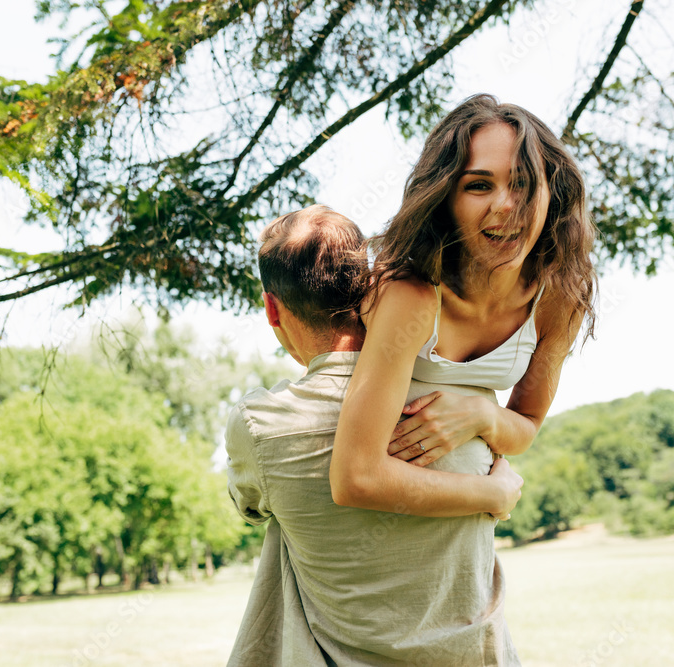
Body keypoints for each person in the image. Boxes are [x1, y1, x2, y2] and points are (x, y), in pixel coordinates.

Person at [225, 205, 524, 666]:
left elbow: (250, 506)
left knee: (286, 517)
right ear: (367, 287)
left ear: (272, 308)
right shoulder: (459, 404)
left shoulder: (261, 424)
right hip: (478, 657)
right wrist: (494, 491)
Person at [330, 94, 597, 514]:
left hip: (462, 551)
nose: (505, 205)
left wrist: (479, 415)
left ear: (553, 194)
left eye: (523, 182)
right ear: (445, 199)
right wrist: (494, 494)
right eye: (478, 185)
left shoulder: (559, 299)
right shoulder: (410, 292)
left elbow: (525, 427)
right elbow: (355, 478)